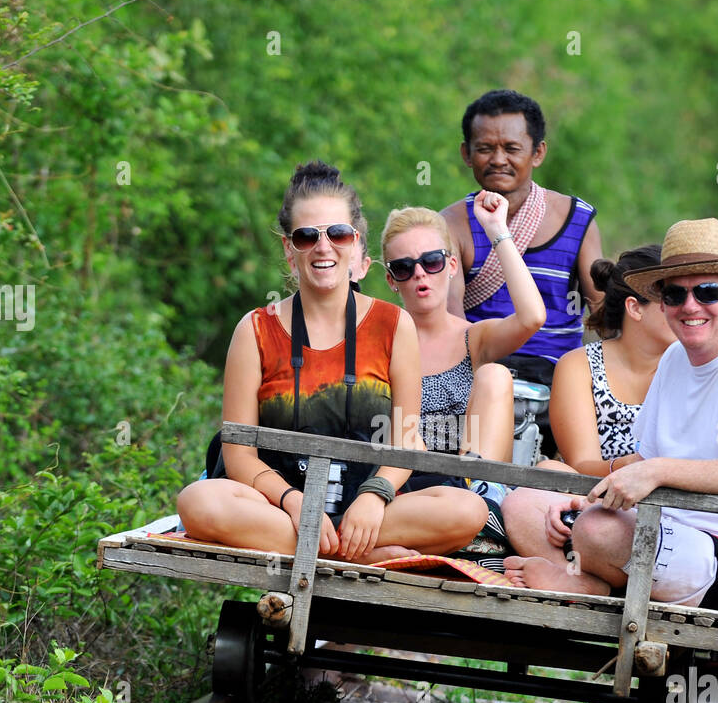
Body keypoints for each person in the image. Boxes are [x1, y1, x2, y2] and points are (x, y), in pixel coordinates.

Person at [502, 218, 718, 624]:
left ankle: (586, 579)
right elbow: (641, 464)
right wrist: (590, 498)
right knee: (523, 502)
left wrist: (657, 472)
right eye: (675, 294)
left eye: (707, 291)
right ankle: (590, 582)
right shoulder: (674, 360)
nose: (690, 306)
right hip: (667, 530)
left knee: (598, 532)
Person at [177, 161, 488, 562]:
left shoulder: (394, 325)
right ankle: (355, 553)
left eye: (338, 234)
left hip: (368, 509)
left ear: (357, 244)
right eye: (307, 237)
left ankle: (326, 547)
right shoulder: (254, 330)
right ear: (290, 249)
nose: (324, 247)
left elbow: (406, 439)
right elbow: (238, 453)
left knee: (466, 509)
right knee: (199, 501)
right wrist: (292, 501)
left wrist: (375, 498)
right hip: (278, 507)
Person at [440, 89, 605, 392]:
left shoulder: (577, 220)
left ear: (538, 153)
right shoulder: (449, 226)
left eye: (512, 148)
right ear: (466, 153)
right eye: (485, 148)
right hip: (481, 377)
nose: (498, 159)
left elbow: (604, 313)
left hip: (562, 380)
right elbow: (451, 323)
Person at [380, 195, 545, 469]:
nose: (420, 273)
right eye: (404, 267)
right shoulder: (379, 338)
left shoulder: (473, 339)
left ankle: (481, 494)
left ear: (452, 266)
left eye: (431, 261)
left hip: (468, 481)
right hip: (401, 477)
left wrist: (497, 231)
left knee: (496, 374)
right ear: (391, 280)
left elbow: (533, 317)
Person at [548, 245, 675, 476]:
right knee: (549, 469)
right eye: (673, 297)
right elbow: (580, 467)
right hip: (599, 500)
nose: (688, 308)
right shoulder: (580, 366)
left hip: (679, 502)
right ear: (635, 308)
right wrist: (632, 467)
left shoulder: (695, 366)